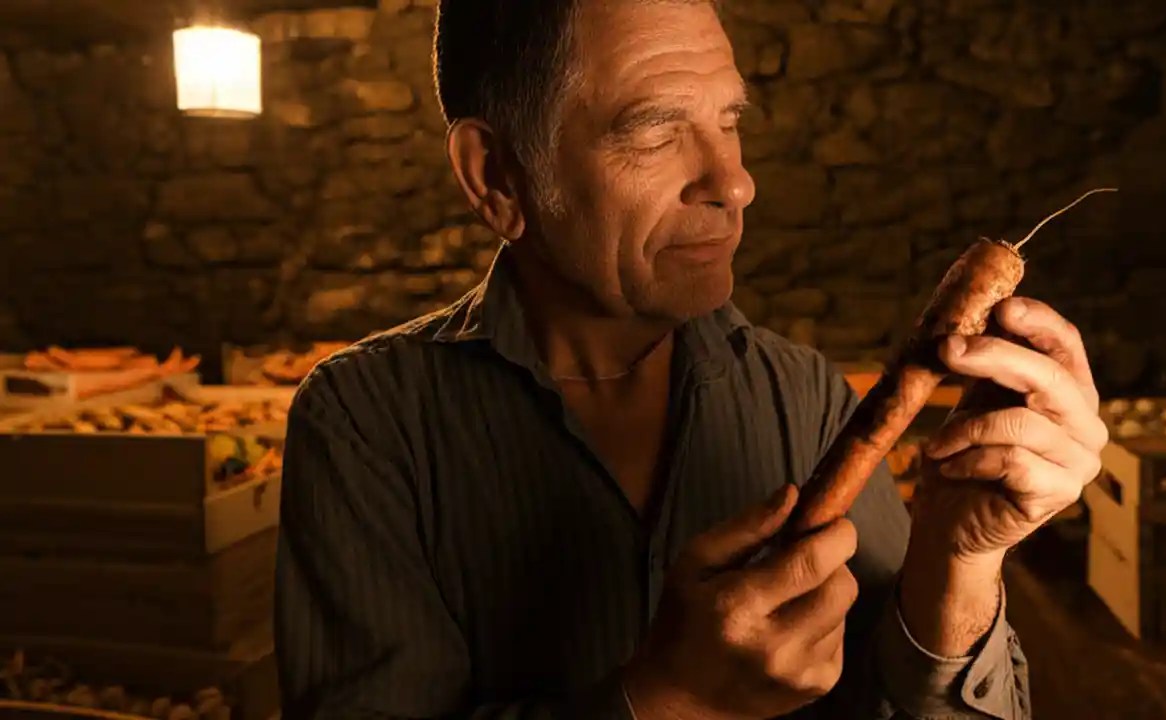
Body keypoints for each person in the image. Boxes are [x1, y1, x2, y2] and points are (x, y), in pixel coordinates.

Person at [273, 1, 1108, 718]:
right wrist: (670, 698)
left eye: (730, 121)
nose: (734, 182)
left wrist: (957, 561)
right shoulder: (365, 421)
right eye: (655, 130)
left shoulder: (809, 398)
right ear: (497, 176)